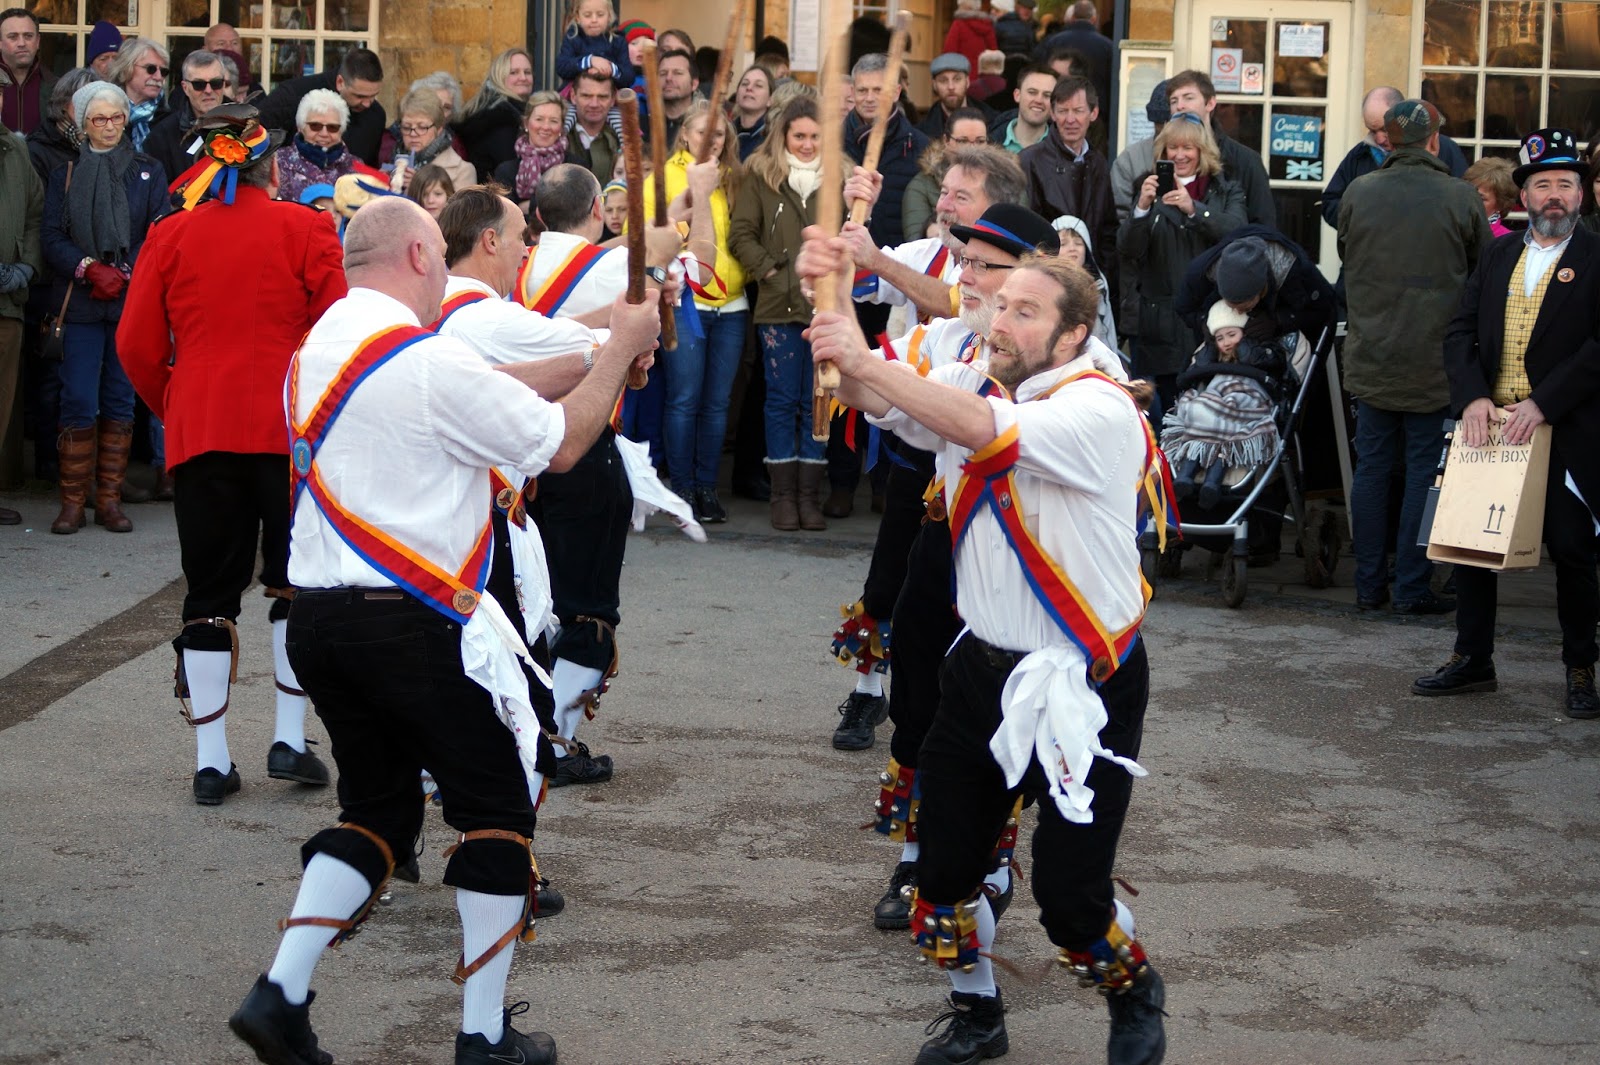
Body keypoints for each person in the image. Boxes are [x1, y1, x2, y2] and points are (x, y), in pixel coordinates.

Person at [222, 192, 660, 1065]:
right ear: (423, 257)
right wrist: (617, 351)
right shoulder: (428, 361)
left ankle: (281, 993)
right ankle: (484, 1035)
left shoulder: (314, 354)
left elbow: (480, 397)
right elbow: (559, 444)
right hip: (414, 627)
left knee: (377, 808)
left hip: (319, 621)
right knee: (497, 811)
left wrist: (603, 355)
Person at [805, 244, 1168, 1065]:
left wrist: (863, 359)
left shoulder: (1100, 410)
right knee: (940, 875)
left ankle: (1131, 986)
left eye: (1025, 311)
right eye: (1000, 305)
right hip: (981, 672)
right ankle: (977, 1013)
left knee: (1071, 899)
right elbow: (872, 396)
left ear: (1076, 334)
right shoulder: (976, 377)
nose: (1000, 320)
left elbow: (977, 429)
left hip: (1086, 682)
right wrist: (830, 334)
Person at [117, 103, 346, 803]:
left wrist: (179, 402)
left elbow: (135, 346)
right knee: (293, 586)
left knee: (209, 598)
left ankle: (211, 761)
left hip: (203, 428)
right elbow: (336, 333)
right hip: (290, 437)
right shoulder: (308, 228)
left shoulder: (171, 234)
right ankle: (286, 736)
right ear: (269, 164)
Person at [829, 146, 1028, 744]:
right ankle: (873, 694)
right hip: (923, 452)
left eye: (959, 196)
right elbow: (858, 286)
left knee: (985, 620)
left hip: (1001, 488)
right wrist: (848, 232)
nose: (942, 203)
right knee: (898, 581)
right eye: (943, 192)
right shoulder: (932, 265)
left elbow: (948, 301)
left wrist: (876, 263)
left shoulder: (1031, 280)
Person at [516, 162, 692, 786]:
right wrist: (692, 190)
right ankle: (558, 741)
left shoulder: (509, 267)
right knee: (587, 603)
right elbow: (672, 245)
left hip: (512, 448)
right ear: (598, 209)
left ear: (535, 217)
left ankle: (524, 730)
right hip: (584, 443)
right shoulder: (618, 268)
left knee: (526, 598)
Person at [1415, 127, 1600, 717]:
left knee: (1572, 551)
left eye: (1564, 185)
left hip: (1564, 427)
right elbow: (1460, 331)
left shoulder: (1597, 257)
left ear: (1582, 194)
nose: (1553, 195)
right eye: (1542, 184)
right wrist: (1471, 397)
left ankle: (1580, 666)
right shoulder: (1498, 254)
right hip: (1491, 426)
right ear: (1522, 197)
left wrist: (1544, 403)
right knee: (1473, 545)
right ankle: (1474, 661)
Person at [1339, 99, 1488, 616]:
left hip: (1372, 356)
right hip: (1434, 362)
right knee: (1425, 471)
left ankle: (1366, 587)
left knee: (1373, 469)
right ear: (1433, 141)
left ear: (1390, 140)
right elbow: (1480, 275)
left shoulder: (1360, 192)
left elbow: (1347, 254)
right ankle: (1411, 588)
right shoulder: (1461, 197)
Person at [39, 82, 166, 536]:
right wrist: (89, 267)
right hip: (82, 305)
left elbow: (159, 230)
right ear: (83, 123)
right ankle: (73, 501)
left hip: (130, 302)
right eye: (100, 119)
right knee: (76, 398)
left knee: (119, 398)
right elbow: (51, 235)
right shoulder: (65, 174)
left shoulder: (148, 169)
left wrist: (124, 270)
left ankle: (109, 501)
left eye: (117, 117)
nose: (110, 126)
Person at [643, 103, 748, 522]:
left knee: (718, 401)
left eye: (719, 134)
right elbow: (647, 236)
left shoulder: (736, 178)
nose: (711, 142)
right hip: (684, 299)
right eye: (702, 133)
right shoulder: (665, 175)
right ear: (685, 134)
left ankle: (707, 487)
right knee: (684, 397)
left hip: (733, 303)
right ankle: (682, 487)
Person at [729, 97, 828, 531]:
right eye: (799, 136)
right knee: (782, 401)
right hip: (777, 305)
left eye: (814, 136)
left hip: (826, 306)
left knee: (820, 400)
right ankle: (783, 497)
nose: (807, 144)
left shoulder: (841, 175)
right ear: (784, 136)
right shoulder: (761, 174)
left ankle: (810, 496)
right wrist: (771, 269)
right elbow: (741, 232)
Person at [1118, 111, 1246, 421]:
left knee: (1206, 414)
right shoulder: (1146, 189)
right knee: (1160, 416)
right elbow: (1128, 251)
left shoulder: (1225, 189)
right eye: (1172, 148)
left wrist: (1195, 211)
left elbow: (1238, 233)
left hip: (1209, 321)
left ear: (1203, 150)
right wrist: (1141, 209)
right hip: (1159, 325)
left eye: (1187, 147)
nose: (1179, 155)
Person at [1163, 301, 1285, 508]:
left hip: (1245, 397)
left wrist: (1245, 346)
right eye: (1219, 338)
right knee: (1196, 406)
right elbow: (1197, 376)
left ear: (1244, 333)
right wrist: (1210, 349)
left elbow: (1268, 369)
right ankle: (1186, 476)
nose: (1226, 342)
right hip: (1216, 397)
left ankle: (1213, 482)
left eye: (1232, 335)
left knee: (1217, 427)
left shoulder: (1258, 353)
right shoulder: (1211, 357)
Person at [1320, 87, 1468, 232]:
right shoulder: (1359, 154)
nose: (1378, 139)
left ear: (1401, 120)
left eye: (1384, 129)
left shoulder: (1445, 148)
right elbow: (1330, 202)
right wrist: (1364, 221)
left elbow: (1465, 203)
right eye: (1372, 130)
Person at [0, 66, 42, 528]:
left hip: (6, 302)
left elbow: (34, 212)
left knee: (1, 402)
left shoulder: (15, 149)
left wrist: (26, 265)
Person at [1020, 75, 1116, 269]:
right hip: (1047, 274)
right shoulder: (1030, 160)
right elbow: (1025, 230)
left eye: (1078, 111)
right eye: (1063, 111)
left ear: (1093, 113)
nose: (1070, 120)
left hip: (1091, 275)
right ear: (1053, 114)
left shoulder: (1098, 162)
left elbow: (1108, 229)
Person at [1166, 70, 1275, 226]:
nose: (1180, 106)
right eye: (1173, 101)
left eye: (1188, 98)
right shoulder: (1164, 155)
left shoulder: (1245, 160)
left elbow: (1263, 222)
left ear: (1210, 103)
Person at [258, 47, 386, 166]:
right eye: (360, 96)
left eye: (373, 96)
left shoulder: (376, 116)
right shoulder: (290, 97)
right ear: (340, 82)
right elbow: (251, 141)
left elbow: (369, 167)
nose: (367, 104)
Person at [143, 50, 233, 191]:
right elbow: (157, 196)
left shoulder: (247, 127)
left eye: (215, 83)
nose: (208, 90)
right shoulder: (161, 136)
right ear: (185, 88)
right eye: (199, 84)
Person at [274, 87, 380, 204]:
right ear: (301, 127)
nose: (324, 134)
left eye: (332, 127)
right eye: (315, 126)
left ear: (341, 131)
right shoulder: (278, 162)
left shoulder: (356, 167)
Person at [904, 108, 989, 241]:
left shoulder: (1006, 183)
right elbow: (916, 242)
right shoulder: (921, 186)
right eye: (963, 141)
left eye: (980, 141)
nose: (973, 149)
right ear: (946, 141)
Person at [454, 48, 534, 182]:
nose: (523, 78)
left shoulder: (495, 111)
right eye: (513, 72)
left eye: (527, 72)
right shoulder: (503, 119)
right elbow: (508, 171)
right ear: (499, 76)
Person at [491, 90, 569, 209]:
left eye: (553, 121)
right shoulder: (506, 171)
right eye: (539, 119)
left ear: (561, 128)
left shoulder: (574, 166)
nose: (546, 127)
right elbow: (504, 215)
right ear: (526, 124)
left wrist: (529, 205)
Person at [1052, 213, 1117, 351]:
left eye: (1078, 243)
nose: (1072, 249)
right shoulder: (1042, 285)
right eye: (1063, 243)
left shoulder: (1098, 284)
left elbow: (1107, 331)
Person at [391, 88, 476, 194]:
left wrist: (419, 187)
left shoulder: (462, 171)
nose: (413, 134)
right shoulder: (392, 161)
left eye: (422, 127)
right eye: (406, 127)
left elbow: (459, 210)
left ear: (439, 129)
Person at [1110, 80, 1169, 224]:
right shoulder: (1131, 158)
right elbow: (1118, 214)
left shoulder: (1201, 156)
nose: (1168, 130)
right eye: (1160, 123)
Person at [380, 71, 465, 166]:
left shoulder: (455, 146)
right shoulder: (389, 142)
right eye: (433, 105)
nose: (440, 113)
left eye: (447, 108)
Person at [107, 38, 171, 151]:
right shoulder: (104, 116)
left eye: (163, 71)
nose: (158, 77)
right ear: (127, 68)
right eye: (150, 69)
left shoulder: (170, 122)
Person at [556, 0, 632, 93]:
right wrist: (590, 61)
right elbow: (562, 67)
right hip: (575, 96)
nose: (594, 20)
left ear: (609, 16)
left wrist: (610, 68)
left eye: (600, 15)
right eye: (587, 15)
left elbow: (629, 77)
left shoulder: (618, 41)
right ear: (577, 18)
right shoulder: (572, 38)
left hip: (609, 97)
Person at [917, 53, 994, 141]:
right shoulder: (921, 132)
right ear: (934, 85)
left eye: (957, 79)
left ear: (967, 82)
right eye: (943, 80)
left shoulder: (992, 121)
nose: (951, 87)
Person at [0, 8, 52, 135]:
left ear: (38, 41)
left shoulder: (56, 88)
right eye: (13, 37)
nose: (22, 43)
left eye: (28, 36)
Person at [564, 68, 621, 183]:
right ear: (573, 96)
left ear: (613, 99)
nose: (594, 104)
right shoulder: (556, 135)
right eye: (586, 96)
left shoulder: (623, 138)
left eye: (602, 97)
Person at [989, 63, 1054, 154]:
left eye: (1047, 95)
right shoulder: (988, 143)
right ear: (1017, 95)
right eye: (1032, 92)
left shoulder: (1064, 149)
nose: (1039, 100)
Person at [648, 48, 699, 152]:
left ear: (694, 84)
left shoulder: (703, 126)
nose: (668, 78)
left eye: (678, 73)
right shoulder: (644, 125)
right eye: (663, 73)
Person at [1464, 156, 1517, 238]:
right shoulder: (1453, 231)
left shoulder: (1507, 241)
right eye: (1468, 194)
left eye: (1481, 199)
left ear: (1500, 205)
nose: (1471, 201)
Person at [730, 64, 774, 161]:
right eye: (745, 84)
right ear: (737, 94)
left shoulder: (772, 137)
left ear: (770, 100)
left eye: (758, 85)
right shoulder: (726, 132)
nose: (749, 88)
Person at [943, 0, 997, 76]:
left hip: (963, 76)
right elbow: (993, 52)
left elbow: (949, 52)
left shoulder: (958, 24)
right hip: (984, 79)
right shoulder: (987, 25)